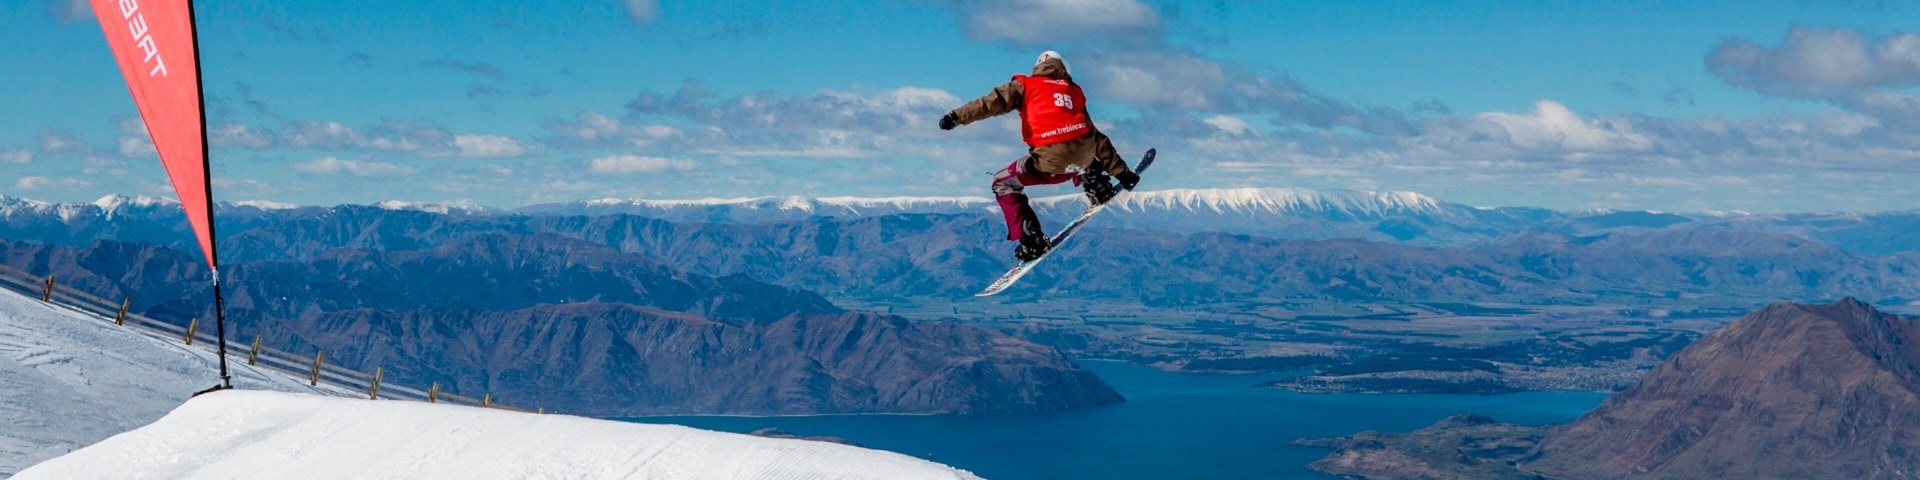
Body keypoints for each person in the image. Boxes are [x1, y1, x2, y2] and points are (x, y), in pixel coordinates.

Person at [939, 51, 1140, 262]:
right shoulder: (1074, 91)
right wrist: (1123, 174)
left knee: (1001, 182)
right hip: (1084, 157)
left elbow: (989, 103)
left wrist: (955, 117)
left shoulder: (1024, 86)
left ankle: (1032, 240)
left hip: (1050, 164)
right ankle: (1098, 184)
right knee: (1080, 143)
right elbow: (1095, 135)